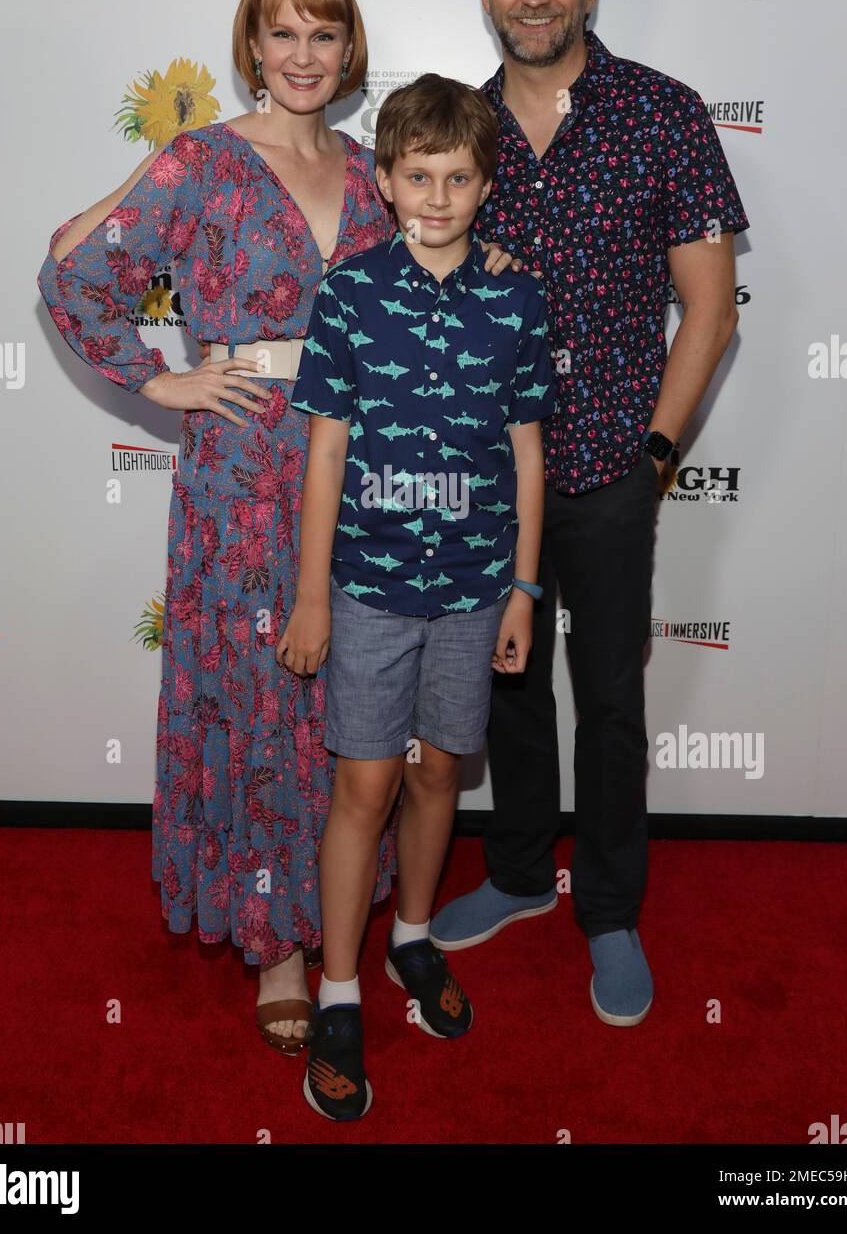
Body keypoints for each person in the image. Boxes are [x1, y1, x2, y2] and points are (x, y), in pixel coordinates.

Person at [36, 0, 404, 1055]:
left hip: (365, 467)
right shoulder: (201, 162)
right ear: (252, 44)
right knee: (258, 705)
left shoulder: (372, 166)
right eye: (283, 33)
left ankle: (339, 906)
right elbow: (70, 271)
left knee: (350, 696)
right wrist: (159, 375)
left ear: (349, 53)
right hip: (245, 474)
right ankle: (276, 944)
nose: (303, 54)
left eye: (324, 35)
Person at [430, 0, 751, 1027]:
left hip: (619, 462)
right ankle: (519, 871)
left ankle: (608, 906)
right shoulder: (451, 134)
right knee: (504, 686)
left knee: (609, 698)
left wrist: (655, 460)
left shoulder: (666, 112)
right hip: (482, 472)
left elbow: (709, 309)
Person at [278, 72, 556, 1119]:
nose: (437, 196)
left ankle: (412, 936)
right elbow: (324, 453)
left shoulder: (517, 298)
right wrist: (313, 594)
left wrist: (524, 592)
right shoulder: (348, 294)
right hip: (367, 591)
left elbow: (529, 457)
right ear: (384, 181)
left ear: (486, 185)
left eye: (458, 178)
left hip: (479, 590)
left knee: (441, 771)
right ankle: (340, 984)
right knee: (363, 787)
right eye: (416, 176)